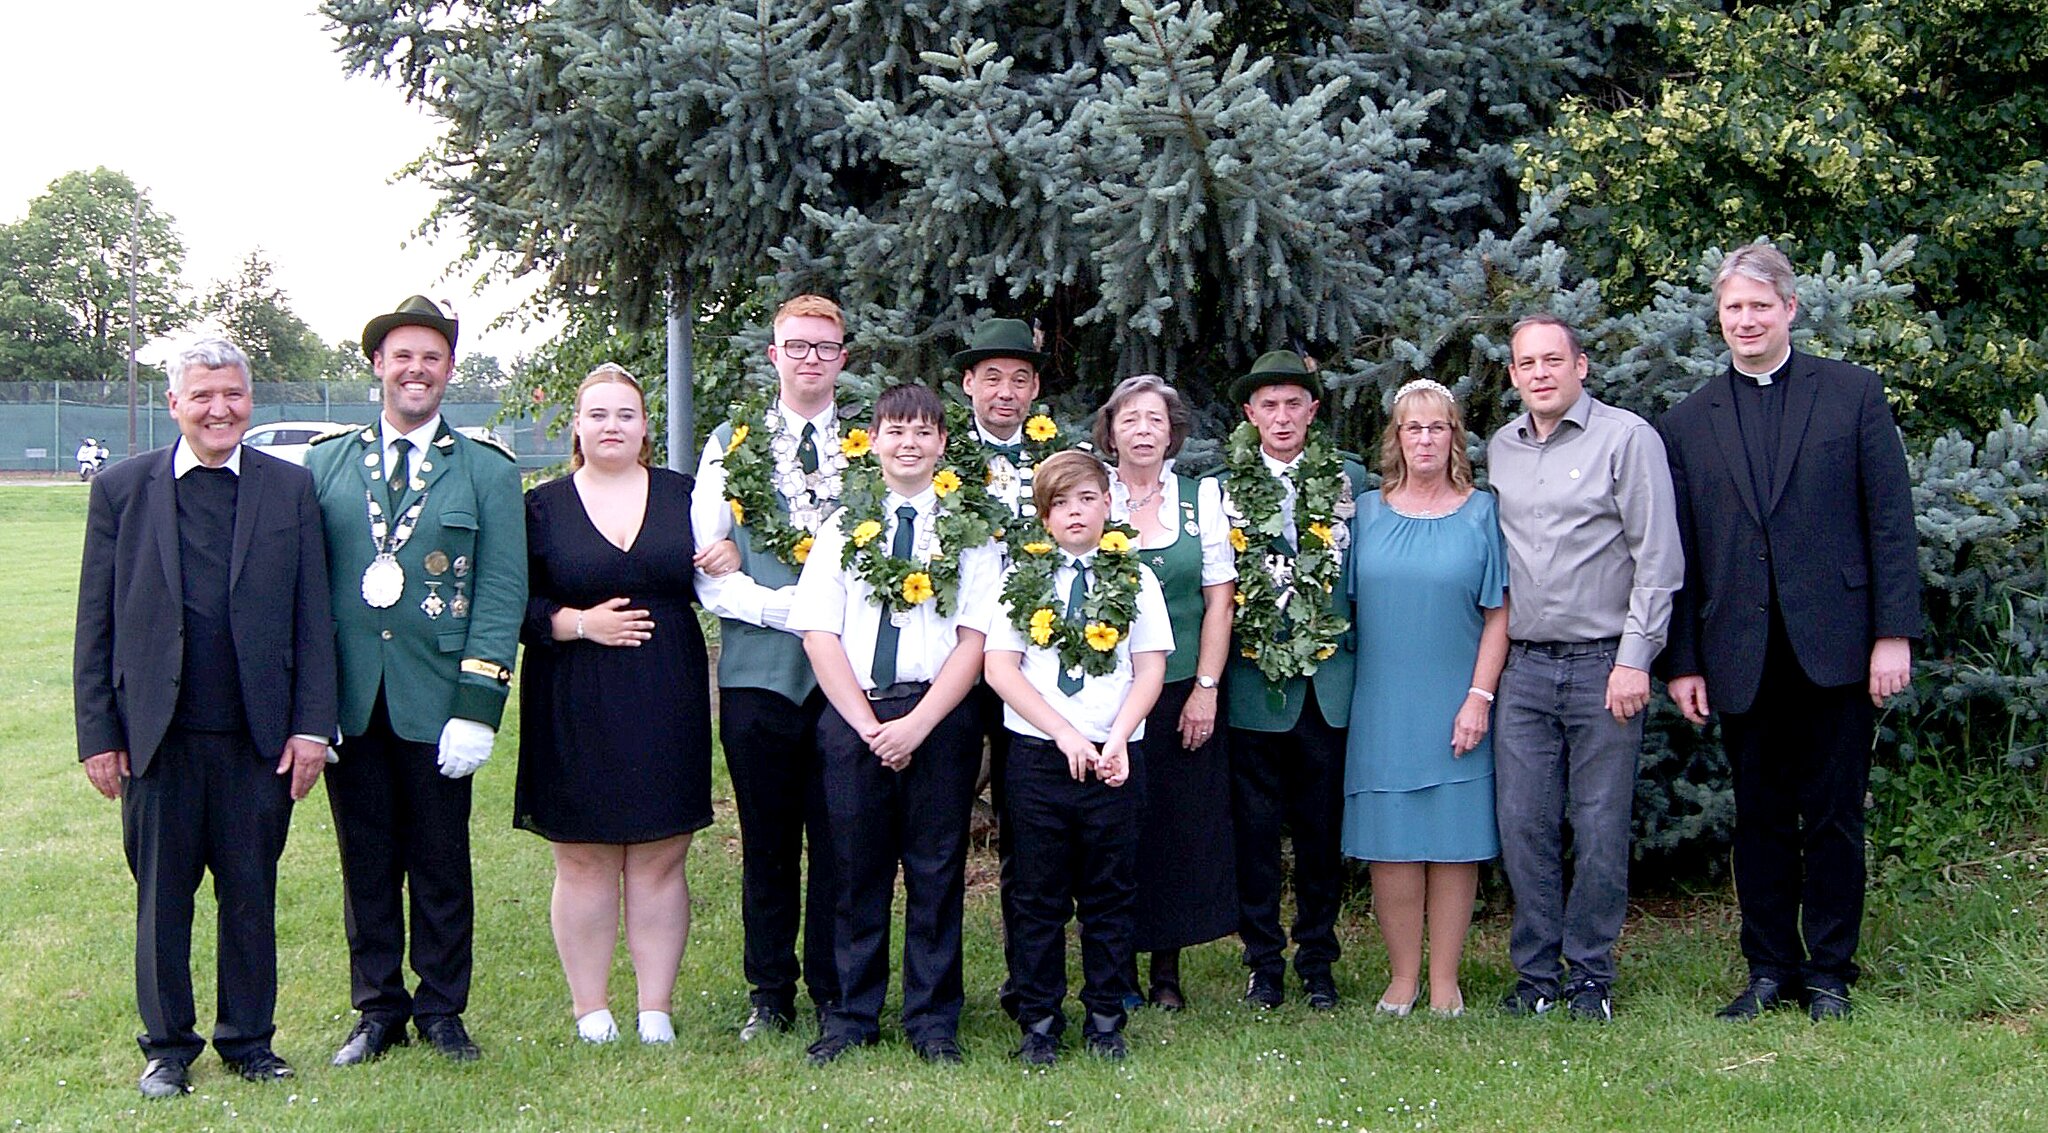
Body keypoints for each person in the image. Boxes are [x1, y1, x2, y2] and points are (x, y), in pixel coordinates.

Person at [1658, 243, 1919, 1022]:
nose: (1746, 320)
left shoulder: (1852, 394)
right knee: (1760, 817)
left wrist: (1892, 634)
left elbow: (1891, 523)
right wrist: (1684, 660)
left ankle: (1830, 971)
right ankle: (1769, 968)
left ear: (1790, 310)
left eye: (1760, 307)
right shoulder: (1687, 419)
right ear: (1720, 315)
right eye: (1734, 308)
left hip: (1837, 644)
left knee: (1836, 815)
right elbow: (1682, 552)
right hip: (1740, 650)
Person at [72, 336, 336, 1098]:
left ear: (249, 401)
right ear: (175, 404)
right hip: (156, 739)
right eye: (203, 395)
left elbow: (313, 617)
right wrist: (99, 734)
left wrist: (312, 726)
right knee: (162, 900)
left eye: (233, 395)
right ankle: (167, 1048)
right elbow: (96, 623)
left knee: (250, 895)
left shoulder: (290, 490)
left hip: (260, 738)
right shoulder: (123, 490)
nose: (220, 409)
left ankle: (250, 1041)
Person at [306, 295, 526, 1064]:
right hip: (352, 704)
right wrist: (314, 703)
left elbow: (501, 591)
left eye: (431, 357)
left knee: (440, 861)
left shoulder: (488, 470)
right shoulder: (325, 463)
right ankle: (376, 1009)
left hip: (438, 703)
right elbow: (306, 593)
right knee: (363, 862)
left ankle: (441, 1008)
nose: (416, 369)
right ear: (377, 365)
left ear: (449, 371)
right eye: (402, 355)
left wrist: (479, 705)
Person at [789, 382, 1004, 1066]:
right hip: (856, 712)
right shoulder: (839, 528)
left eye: (922, 432)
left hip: (938, 713)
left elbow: (974, 638)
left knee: (938, 865)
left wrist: (917, 725)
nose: (908, 443)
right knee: (854, 866)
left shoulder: (968, 530)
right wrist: (865, 723)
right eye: (895, 431)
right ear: (873, 441)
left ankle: (934, 1018)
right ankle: (850, 1012)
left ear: (942, 443)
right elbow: (819, 633)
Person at [1487, 315, 1683, 1022]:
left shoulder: (1626, 439)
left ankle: (1590, 976)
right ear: (1513, 375)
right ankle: (1535, 975)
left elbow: (1657, 559)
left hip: (1606, 664)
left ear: (1582, 365)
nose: (1539, 373)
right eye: (1525, 363)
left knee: (1599, 826)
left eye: (1552, 360)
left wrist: (1636, 659)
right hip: (1526, 667)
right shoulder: (1501, 449)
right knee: (1524, 823)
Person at [518, 364, 721, 1045]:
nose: (612, 426)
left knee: (662, 851)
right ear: (577, 426)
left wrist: (724, 554)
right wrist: (580, 623)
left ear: (645, 427)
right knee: (584, 855)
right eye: (598, 414)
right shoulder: (542, 506)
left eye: (626, 414)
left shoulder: (685, 495)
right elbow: (512, 603)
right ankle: (592, 1009)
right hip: (574, 691)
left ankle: (655, 1007)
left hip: (668, 689)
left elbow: (722, 568)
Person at [690, 293, 850, 1040]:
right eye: (797, 345)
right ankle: (769, 991)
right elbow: (706, 567)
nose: (810, 358)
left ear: (843, 357)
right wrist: (790, 609)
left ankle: (835, 984)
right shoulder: (734, 442)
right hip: (758, 672)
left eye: (824, 346)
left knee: (842, 836)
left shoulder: (873, 443)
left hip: (848, 678)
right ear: (773, 354)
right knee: (769, 839)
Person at [984, 450, 1173, 1064]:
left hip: (1116, 754)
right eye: (1061, 503)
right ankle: (1038, 1019)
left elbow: (1150, 668)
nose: (1076, 513)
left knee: (1109, 891)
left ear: (1108, 504)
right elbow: (1000, 668)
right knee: (1037, 894)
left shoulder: (1135, 579)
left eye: (1087, 499)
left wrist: (1117, 736)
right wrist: (1063, 732)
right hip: (1041, 755)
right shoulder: (1021, 579)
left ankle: (1105, 1017)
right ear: (1043, 515)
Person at [1344, 379, 1509, 1019]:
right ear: (1396, 439)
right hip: (1383, 701)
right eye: (1413, 428)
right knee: (1392, 843)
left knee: (1452, 840)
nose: (1425, 440)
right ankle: (1402, 977)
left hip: (1458, 700)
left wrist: (1479, 697)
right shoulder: (1366, 513)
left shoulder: (1481, 512)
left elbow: (1498, 613)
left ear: (1454, 439)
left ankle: (1445, 980)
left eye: (1437, 428)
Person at [1220, 351, 1364, 1011]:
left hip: (1328, 688)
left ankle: (1318, 961)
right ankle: (1263, 963)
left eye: (1294, 403)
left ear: (1313, 409)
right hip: (1256, 688)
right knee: (1254, 835)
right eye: (1268, 405)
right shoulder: (1224, 488)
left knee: (1318, 832)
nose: (1281, 416)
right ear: (1250, 414)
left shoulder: (1351, 482)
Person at [1096, 375, 1238, 1010]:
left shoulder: (1199, 497)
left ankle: (1167, 970)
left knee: (1176, 829)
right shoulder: (1090, 494)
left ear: (1171, 431)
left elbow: (1219, 601)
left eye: (1155, 419)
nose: (1143, 431)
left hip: (1182, 689)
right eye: (1131, 419)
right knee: (1117, 827)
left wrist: (1206, 688)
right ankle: (1115, 963)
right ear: (1112, 430)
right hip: (1108, 694)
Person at [948, 315, 1071, 1018]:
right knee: (944, 828)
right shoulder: (937, 457)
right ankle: (938, 984)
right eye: (991, 376)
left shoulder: (1058, 462)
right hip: (956, 665)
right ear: (968, 383)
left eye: (1020, 378)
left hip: (1032, 664)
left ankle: (1030, 983)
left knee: (1029, 832)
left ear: (1034, 389)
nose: (1005, 391)